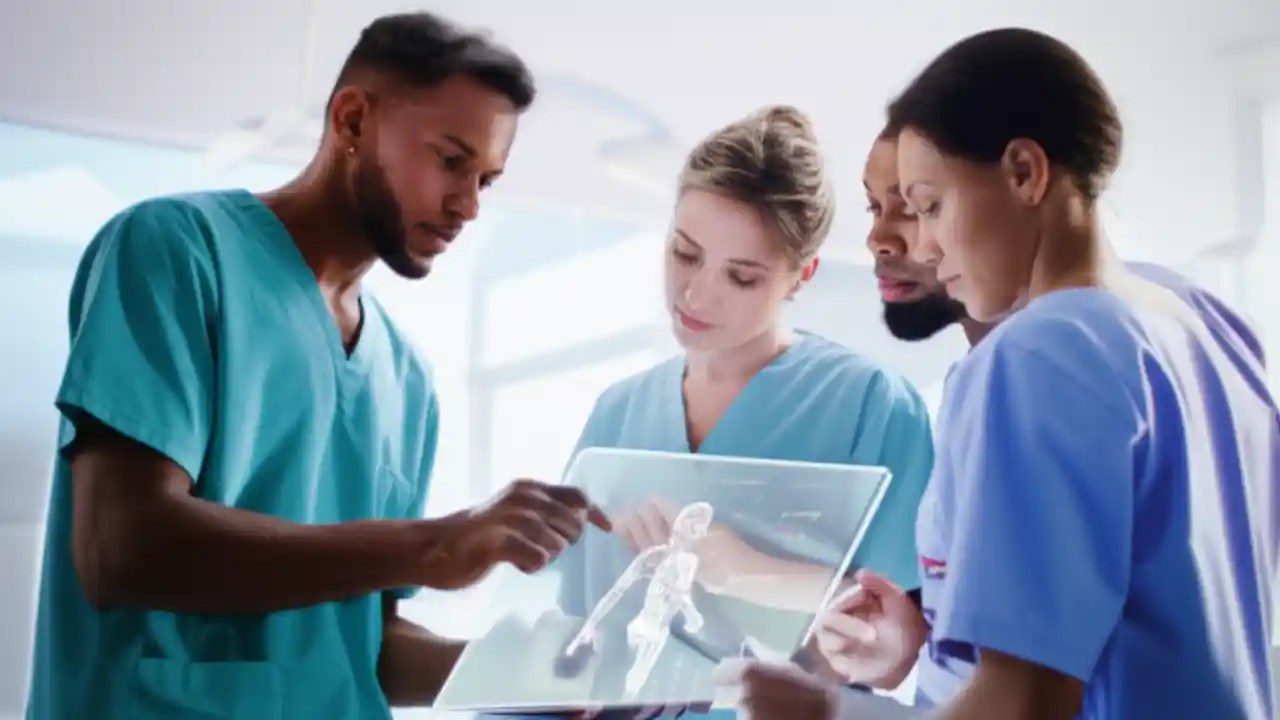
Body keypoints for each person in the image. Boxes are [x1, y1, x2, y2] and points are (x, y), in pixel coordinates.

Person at [25, 12, 612, 720]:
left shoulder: (408, 381)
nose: (468, 206)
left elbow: (358, 642)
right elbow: (122, 547)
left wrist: (514, 677)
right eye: (452, 160)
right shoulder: (176, 252)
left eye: (486, 180)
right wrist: (431, 544)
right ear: (354, 120)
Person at [723, 27, 1277, 720]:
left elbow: (1025, 703)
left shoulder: (1037, 353)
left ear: (1024, 172)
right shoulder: (1205, 322)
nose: (920, 242)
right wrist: (927, 642)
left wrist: (833, 714)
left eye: (929, 205)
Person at [542, 105, 935, 719]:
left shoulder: (870, 406)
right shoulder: (617, 414)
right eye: (684, 252)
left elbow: (896, 650)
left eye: (742, 277)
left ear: (801, 276)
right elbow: (570, 624)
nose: (695, 293)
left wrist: (744, 570)